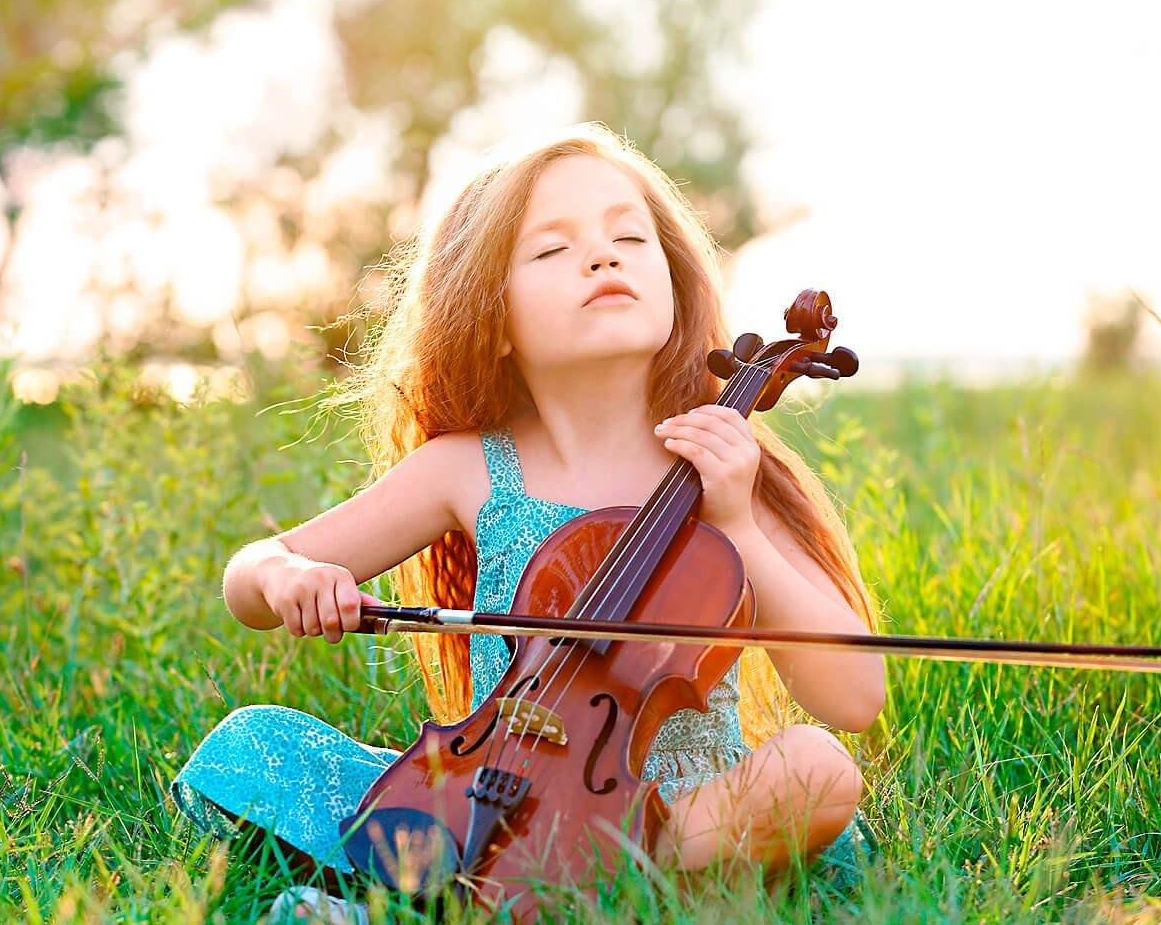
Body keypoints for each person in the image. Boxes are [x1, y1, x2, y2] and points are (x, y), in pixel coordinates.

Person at [171, 122, 884, 922]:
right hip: (491, 787)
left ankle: (544, 885)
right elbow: (252, 573)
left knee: (818, 770)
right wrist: (290, 576)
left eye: (628, 237)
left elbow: (855, 697)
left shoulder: (728, 471)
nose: (603, 257)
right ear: (496, 321)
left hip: (683, 813)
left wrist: (738, 526)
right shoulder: (471, 470)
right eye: (553, 251)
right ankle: (550, 889)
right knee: (253, 742)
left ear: (676, 284)